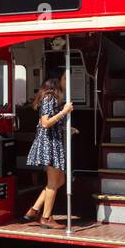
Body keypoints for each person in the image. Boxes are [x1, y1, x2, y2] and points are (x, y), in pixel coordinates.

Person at [23, 78, 75, 229]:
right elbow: (46, 122)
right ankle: (46, 218)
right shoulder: (49, 98)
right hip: (49, 145)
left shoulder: (48, 98)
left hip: (53, 143)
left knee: (60, 181)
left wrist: (66, 128)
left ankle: (34, 209)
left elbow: (49, 122)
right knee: (53, 183)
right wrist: (64, 111)